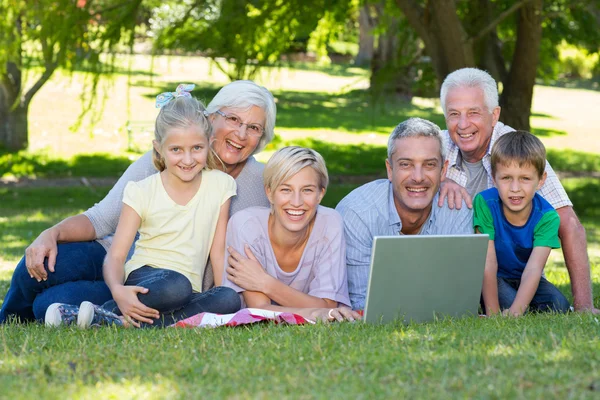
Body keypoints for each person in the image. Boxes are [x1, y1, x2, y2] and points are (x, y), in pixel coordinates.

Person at [0, 80, 276, 324]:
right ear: (210, 118)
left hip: (175, 288)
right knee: (42, 262)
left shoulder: (263, 184)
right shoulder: (168, 157)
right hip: (120, 259)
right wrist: (53, 233)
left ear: (261, 138)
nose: (241, 134)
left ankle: (103, 316)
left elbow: (291, 233)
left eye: (253, 128)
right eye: (233, 119)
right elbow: (101, 219)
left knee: (49, 303)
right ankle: (8, 320)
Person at [45, 85, 241, 328]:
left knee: (229, 299)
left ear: (208, 143)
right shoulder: (141, 191)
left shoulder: (221, 185)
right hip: (149, 278)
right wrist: (117, 289)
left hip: (189, 290)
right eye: (176, 150)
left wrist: (221, 296)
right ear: (159, 148)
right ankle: (118, 309)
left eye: (197, 148)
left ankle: (112, 319)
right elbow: (116, 256)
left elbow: (217, 250)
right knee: (175, 286)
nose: (188, 159)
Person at [438, 67, 597, 313]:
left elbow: (568, 222)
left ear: (494, 115)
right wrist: (439, 180)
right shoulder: (432, 148)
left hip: (512, 270)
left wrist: (585, 305)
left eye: (473, 113)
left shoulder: (515, 150)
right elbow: (402, 184)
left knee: (554, 307)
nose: (462, 124)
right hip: (454, 269)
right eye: (454, 114)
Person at [335, 118, 474, 311]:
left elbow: (459, 298)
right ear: (390, 170)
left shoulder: (456, 208)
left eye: (429, 165)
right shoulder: (357, 214)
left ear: (443, 171)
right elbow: (362, 304)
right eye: (406, 165)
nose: (418, 177)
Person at [222, 146, 360, 322]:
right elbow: (259, 310)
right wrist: (313, 311)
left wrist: (265, 282)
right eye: (286, 190)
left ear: (320, 194)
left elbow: (327, 306)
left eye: (307, 190)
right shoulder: (246, 225)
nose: (296, 202)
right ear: (270, 193)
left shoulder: (330, 223)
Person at [474, 131, 570, 316]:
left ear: (541, 180)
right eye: (506, 178)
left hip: (524, 275)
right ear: (494, 178)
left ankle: (520, 305)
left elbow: (534, 269)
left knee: (560, 306)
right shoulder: (485, 204)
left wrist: (517, 311)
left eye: (525, 178)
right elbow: (488, 262)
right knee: (509, 303)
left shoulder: (547, 217)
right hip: (495, 276)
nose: (515, 188)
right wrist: (493, 312)